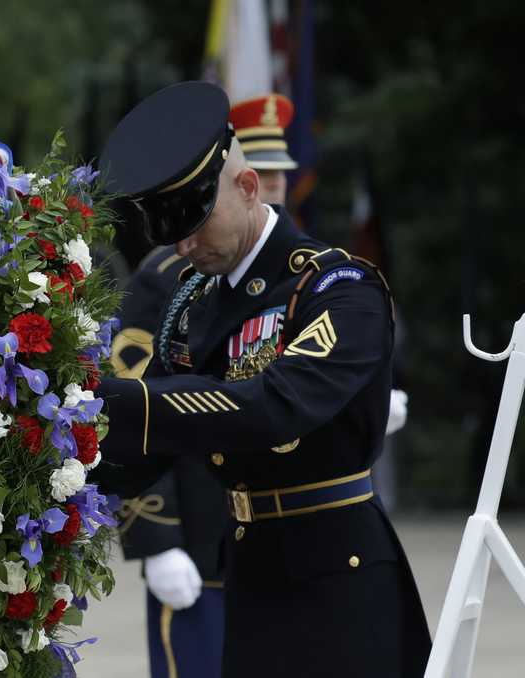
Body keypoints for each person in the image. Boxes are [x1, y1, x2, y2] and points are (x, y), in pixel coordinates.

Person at [94, 81, 431, 678]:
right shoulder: (195, 301)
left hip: (338, 580)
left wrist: (114, 404)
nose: (186, 243)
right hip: (249, 571)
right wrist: (52, 437)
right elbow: (153, 446)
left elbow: (272, 405)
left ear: (248, 188)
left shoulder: (338, 288)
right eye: (172, 230)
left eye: (199, 220)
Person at [112, 90, 303, 678]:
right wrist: (153, 534)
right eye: (260, 174)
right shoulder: (168, 277)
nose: (271, 186)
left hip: (285, 541)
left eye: (278, 175)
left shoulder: (306, 268)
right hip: (200, 533)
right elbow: (133, 411)